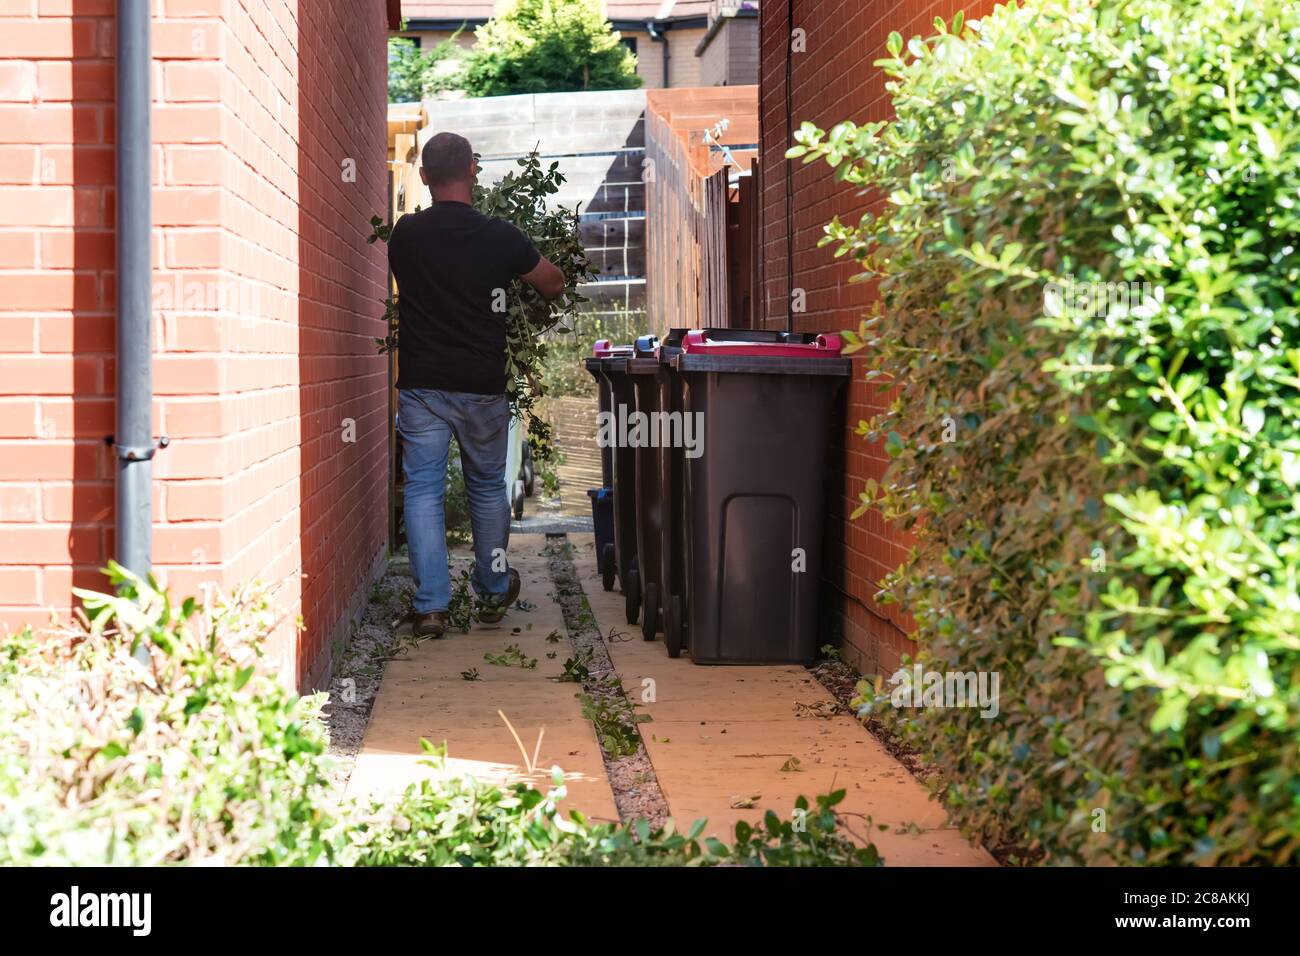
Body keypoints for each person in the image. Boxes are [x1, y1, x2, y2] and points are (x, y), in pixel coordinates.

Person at [388, 131, 566, 638]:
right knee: (487, 487)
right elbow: (552, 283)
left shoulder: (405, 235)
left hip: (423, 385)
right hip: (482, 384)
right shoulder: (501, 236)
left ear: (423, 177)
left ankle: (431, 607)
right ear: (473, 170)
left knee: (422, 490)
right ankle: (491, 591)